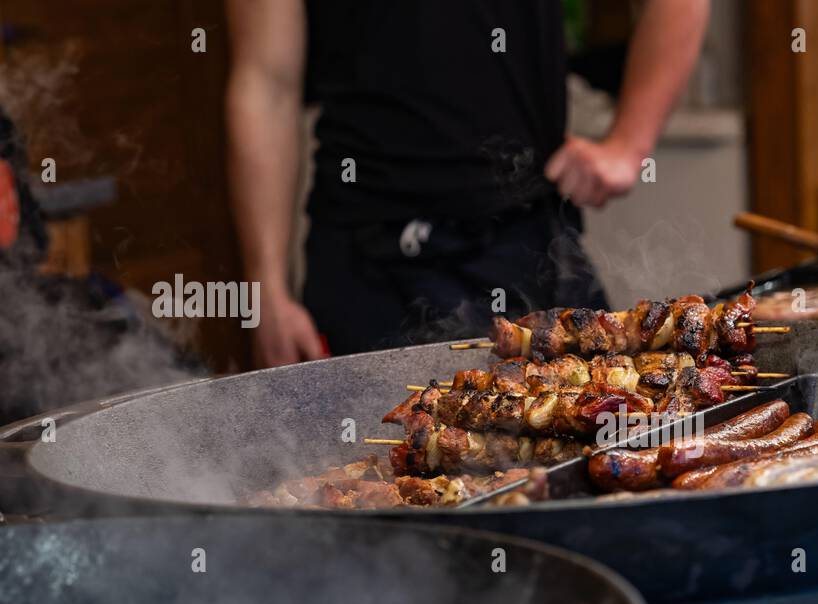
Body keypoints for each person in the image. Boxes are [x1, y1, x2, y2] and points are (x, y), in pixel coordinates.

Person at [226, 0, 708, 367]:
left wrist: (628, 145)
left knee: (595, 461)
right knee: (369, 482)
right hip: (363, 264)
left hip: (527, 246)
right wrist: (265, 285)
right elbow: (266, 81)